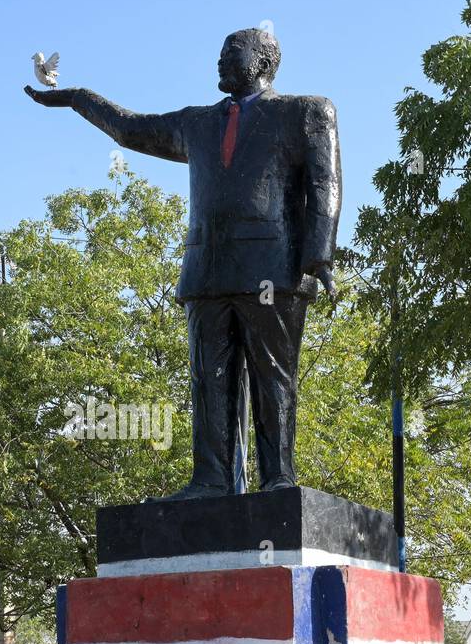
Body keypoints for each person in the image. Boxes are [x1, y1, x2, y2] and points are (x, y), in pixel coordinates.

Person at [26, 27, 341, 498]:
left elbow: (325, 183)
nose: (219, 59)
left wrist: (318, 255)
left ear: (265, 60)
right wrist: (76, 98)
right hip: (207, 271)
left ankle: (278, 479)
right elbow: (131, 128)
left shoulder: (305, 112)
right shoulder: (196, 123)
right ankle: (211, 481)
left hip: (274, 269)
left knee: (272, 377)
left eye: (232, 51)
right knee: (208, 381)